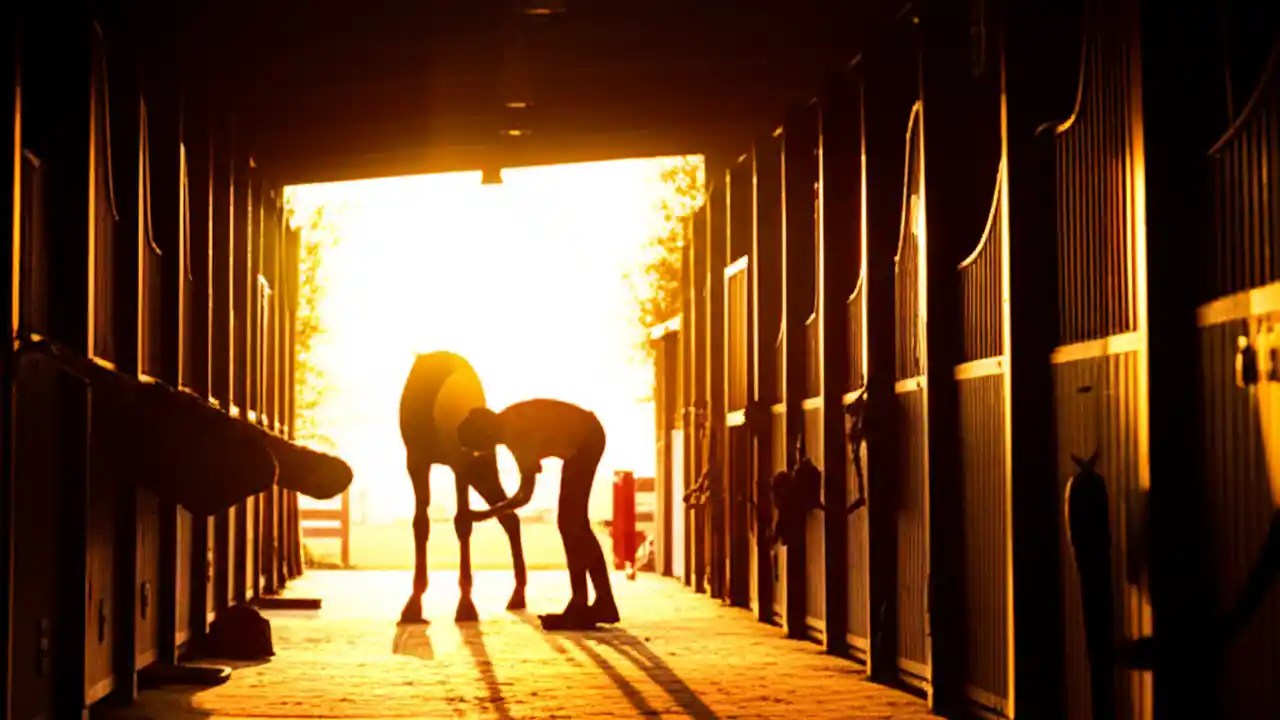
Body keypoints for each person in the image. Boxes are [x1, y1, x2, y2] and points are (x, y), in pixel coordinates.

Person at [457, 399, 619, 630]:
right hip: (585, 435)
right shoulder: (507, 424)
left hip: (587, 438)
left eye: (479, 447)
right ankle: (600, 601)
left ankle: (583, 602)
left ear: (486, 433)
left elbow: (524, 495)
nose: (483, 453)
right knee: (575, 525)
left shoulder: (516, 435)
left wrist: (486, 514)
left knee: (571, 524)